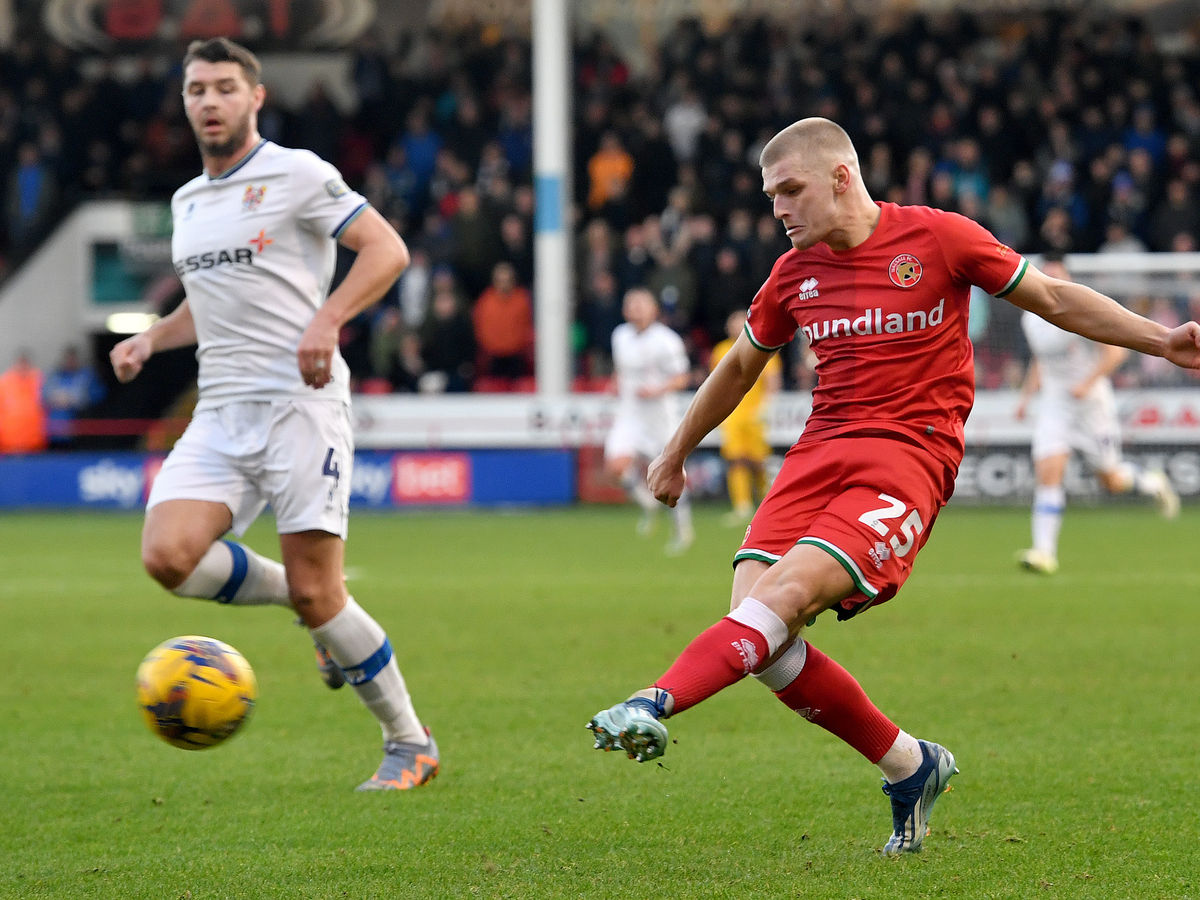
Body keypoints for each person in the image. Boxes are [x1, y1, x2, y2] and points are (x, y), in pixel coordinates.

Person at [587, 117, 1200, 855]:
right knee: (760, 635)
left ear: (842, 177)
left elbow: (1057, 301)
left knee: (778, 605)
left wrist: (1161, 340)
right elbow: (742, 366)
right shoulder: (793, 273)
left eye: (790, 189)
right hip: (817, 457)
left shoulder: (939, 238)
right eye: (769, 195)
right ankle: (911, 765)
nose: (778, 209)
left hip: (908, 458)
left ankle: (652, 699)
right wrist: (676, 449)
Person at [108, 38, 438, 792]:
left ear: (255, 97)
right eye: (197, 90)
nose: (210, 102)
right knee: (168, 557)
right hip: (221, 410)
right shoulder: (188, 200)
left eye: (225, 87)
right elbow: (210, 297)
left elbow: (386, 250)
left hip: (300, 408)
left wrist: (327, 322)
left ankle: (409, 742)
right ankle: (306, 604)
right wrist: (154, 338)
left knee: (324, 593)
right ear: (185, 102)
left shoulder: (297, 174)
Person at [1014, 255, 1179, 575]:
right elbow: (1040, 360)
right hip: (1056, 404)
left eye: (1056, 275)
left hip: (1091, 405)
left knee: (1112, 480)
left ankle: (1151, 482)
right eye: (1045, 275)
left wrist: (1085, 383)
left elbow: (1115, 353)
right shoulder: (1030, 318)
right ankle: (1044, 552)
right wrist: (1025, 397)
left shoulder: (1076, 309)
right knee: (1048, 469)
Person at [605, 286, 694, 555]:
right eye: (631, 304)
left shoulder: (667, 340)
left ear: (654, 309)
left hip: (659, 418)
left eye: (641, 304)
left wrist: (656, 391)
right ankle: (647, 504)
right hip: (630, 415)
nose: (635, 309)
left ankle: (682, 530)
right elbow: (621, 369)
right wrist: (614, 382)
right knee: (616, 466)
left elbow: (682, 378)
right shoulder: (619, 336)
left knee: (670, 476)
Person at [710, 309, 781, 525]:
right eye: (733, 323)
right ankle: (742, 506)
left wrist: (766, 407)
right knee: (735, 458)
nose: (736, 327)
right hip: (732, 413)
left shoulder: (764, 345)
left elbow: (772, 381)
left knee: (759, 461)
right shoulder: (721, 350)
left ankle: (767, 504)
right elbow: (715, 382)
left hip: (754, 413)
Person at [43, 344, 106, 447]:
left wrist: (78, 400)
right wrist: (55, 399)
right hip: (55, 431)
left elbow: (99, 395)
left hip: (79, 429)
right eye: (68, 359)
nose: (70, 362)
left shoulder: (87, 376)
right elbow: (43, 396)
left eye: (72, 359)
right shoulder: (54, 376)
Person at [0, 349, 48, 453]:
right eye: (20, 363)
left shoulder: (39, 381)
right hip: (8, 444)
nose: (22, 367)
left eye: (25, 363)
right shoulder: (4, 383)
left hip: (35, 443)